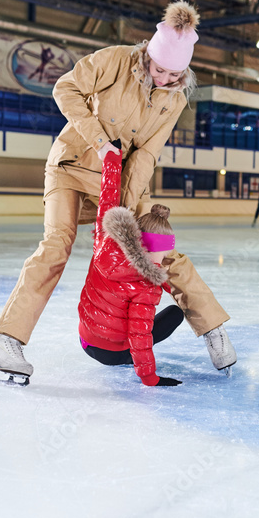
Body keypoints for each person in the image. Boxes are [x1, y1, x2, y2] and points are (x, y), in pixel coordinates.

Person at [0, 0, 236, 385]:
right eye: (160, 69)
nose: (165, 79)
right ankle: (6, 341)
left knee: (160, 250)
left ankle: (213, 330)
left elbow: (148, 154)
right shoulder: (115, 61)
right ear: (147, 56)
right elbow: (64, 89)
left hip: (121, 182)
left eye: (175, 74)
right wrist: (100, 142)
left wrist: (126, 209)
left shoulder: (176, 96)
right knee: (56, 245)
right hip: (71, 167)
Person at [78, 149, 184, 386]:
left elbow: (108, 198)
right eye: (164, 252)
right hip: (112, 354)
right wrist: (150, 379)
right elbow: (140, 335)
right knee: (175, 314)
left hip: (85, 340)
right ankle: (124, 359)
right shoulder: (147, 287)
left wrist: (112, 158)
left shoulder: (105, 241)